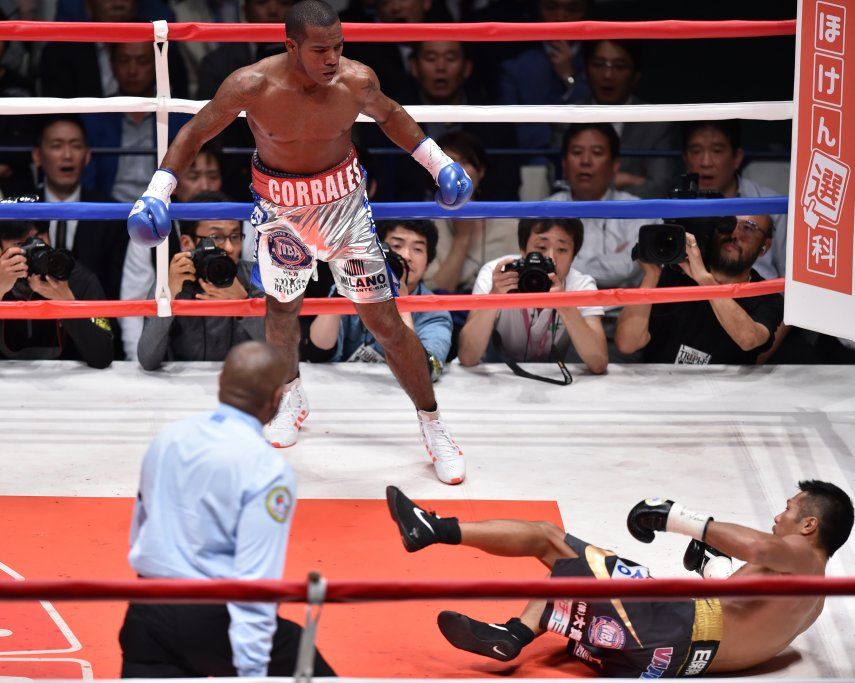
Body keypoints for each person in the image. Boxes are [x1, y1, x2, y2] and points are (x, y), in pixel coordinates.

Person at [126, 0, 473, 485]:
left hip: (344, 210)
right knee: (282, 312)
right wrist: (157, 191)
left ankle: (434, 425)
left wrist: (439, 164)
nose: (332, 58)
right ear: (291, 46)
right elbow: (195, 132)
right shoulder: (253, 85)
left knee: (386, 324)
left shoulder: (356, 80)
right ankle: (291, 395)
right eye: (320, 50)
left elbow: (392, 117)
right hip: (282, 214)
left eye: (338, 47)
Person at [384, 481, 853, 676]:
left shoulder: (799, 555)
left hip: (673, 624)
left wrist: (678, 518)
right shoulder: (812, 602)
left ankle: (439, 533)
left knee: (561, 554)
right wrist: (710, 565)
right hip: (664, 662)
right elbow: (746, 614)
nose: (778, 516)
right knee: (568, 561)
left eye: (790, 510)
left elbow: (759, 547)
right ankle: (511, 630)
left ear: (810, 526)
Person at [120, 341, 335, 678]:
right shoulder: (266, 469)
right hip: (211, 618)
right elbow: (255, 582)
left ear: (221, 380)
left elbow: (141, 531)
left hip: (146, 614)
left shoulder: (170, 438)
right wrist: (251, 671)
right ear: (277, 399)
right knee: (305, 661)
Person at [615, 214, 785, 365]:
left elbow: (748, 339)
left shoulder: (767, 296)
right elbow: (627, 344)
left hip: (726, 394)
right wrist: (651, 276)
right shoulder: (674, 277)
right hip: (661, 390)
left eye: (748, 227)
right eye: (729, 223)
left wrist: (704, 280)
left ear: (765, 246)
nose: (734, 234)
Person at [457, 218, 608, 374]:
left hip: (553, 376)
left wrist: (566, 305)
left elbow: (598, 363)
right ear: (523, 250)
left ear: (573, 256)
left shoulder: (581, 285)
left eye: (562, 250)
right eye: (541, 247)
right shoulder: (496, 274)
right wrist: (495, 297)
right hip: (498, 375)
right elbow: (468, 357)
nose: (551, 258)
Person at [137, 191, 265, 371]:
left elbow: (280, 351)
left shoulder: (255, 275)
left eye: (235, 237)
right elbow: (147, 359)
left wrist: (244, 306)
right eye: (216, 237)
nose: (229, 247)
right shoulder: (172, 279)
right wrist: (169, 297)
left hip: (244, 381)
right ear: (187, 243)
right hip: (184, 386)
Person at [307, 219, 452, 374]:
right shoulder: (348, 289)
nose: (406, 255)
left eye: (417, 249)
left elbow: (424, 372)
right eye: (396, 246)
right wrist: (343, 288)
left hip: (401, 395)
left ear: (427, 264)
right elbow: (317, 354)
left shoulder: (435, 312)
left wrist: (401, 302)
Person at [33, 115, 128, 302]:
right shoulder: (18, 210)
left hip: (94, 319)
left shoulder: (111, 214)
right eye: (56, 146)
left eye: (76, 145)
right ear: (37, 156)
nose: (67, 155)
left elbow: (117, 288)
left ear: (87, 156)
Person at [0, 217, 114, 368]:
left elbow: (103, 357)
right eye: (21, 244)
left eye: (39, 239)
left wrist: (68, 305)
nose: (34, 250)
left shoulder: (75, 277)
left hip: (67, 380)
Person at [682, 120, 786, 281]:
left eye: (717, 151)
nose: (705, 162)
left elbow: (791, 278)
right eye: (696, 151)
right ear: (685, 159)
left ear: (736, 158)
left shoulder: (773, 207)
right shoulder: (675, 206)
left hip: (756, 299)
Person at [547, 123, 646, 291]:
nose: (585, 161)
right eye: (577, 152)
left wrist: (564, 265)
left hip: (622, 311)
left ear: (615, 164)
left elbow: (627, 268)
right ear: (564, 163)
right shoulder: (545, 211)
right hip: (561, 311)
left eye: (597, 153)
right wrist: (613, 260)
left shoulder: (639, 211)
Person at [579, 39, 679, 199]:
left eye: (619, 66)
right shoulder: (567, 117)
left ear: (636, 75)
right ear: (585, 69)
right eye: (599, 64)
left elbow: (662, 186)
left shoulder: (656, 122)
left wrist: (602, 193)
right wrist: (626, 180)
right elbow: (561, 183)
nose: (607, 75)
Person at [423, 132, 518, 294]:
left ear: (481, 171)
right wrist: (462, 237)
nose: (457, 170)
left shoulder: (510, 224)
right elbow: (438, 292)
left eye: (466, 162)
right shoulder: (426, 225)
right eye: (449, 162)